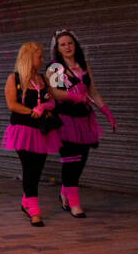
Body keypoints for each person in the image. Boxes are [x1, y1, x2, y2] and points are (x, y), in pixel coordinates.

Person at [46, 29, 116, 218]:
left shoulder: (83, 64)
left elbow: (93, 91)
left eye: (70, 43)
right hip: (65, 119)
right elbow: (54, 92)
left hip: (84, 119)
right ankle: (75, 203)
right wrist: (74, 96)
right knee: (71, 159)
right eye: (63, 44)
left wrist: (107, 113)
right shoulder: (55, 67)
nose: (67, 47)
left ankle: (65, 192)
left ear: (75, 45)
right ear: (58, 49)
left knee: (82, 159)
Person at [2, 41, 61, 227]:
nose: (43, 60)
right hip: (22, 130)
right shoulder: (14, 79)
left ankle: (26, 202)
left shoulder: (44, 79)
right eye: (39, 57)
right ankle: (34, 211)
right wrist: (32, 111)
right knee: (29, 169)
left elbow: (53, 102)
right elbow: (12, 104)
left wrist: (44, 107)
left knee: (37, 169)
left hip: (42, 131)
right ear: (29, 58)